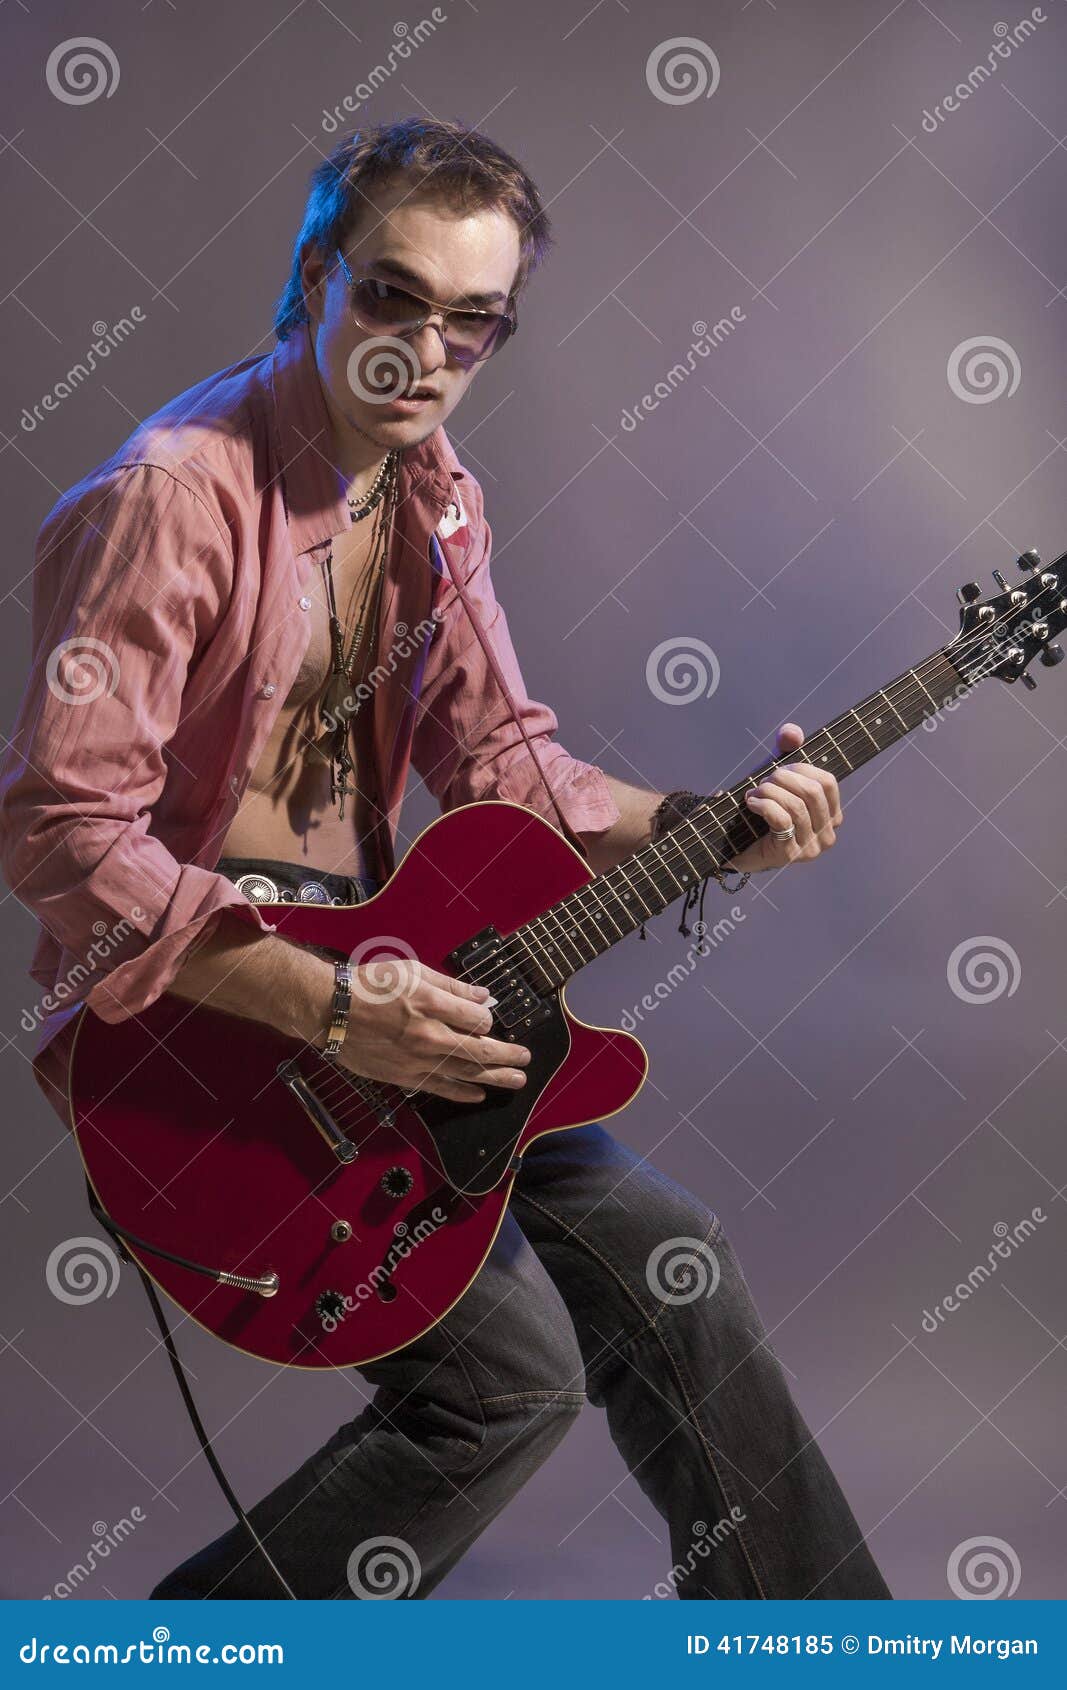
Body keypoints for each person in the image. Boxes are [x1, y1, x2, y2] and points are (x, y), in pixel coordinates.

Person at [0, 117, 890, 1601]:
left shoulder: (435, 496)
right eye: (392, 298)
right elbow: (60, 827)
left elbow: (506, 770)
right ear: (315, 280)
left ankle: (825, 1651)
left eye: (470, 321)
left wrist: (711, 823)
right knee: (509, 1378)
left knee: (677, 1269)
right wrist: (335, 1007)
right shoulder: (173, 498)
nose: (424, 354)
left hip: (394, 988)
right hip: (205, 1029)